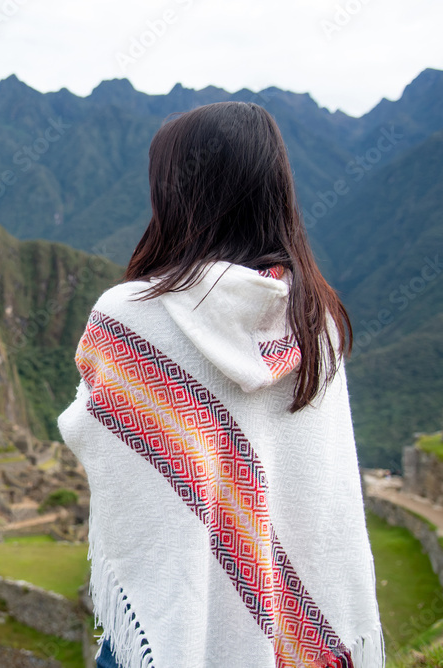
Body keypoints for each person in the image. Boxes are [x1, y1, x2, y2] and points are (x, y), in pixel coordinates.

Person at [58, 102, 383, 668]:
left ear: (178, 193)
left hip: (163, 630)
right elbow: (319, 486)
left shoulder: (130, 317)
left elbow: (91, 427)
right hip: (295, 636)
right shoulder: (318, 319)